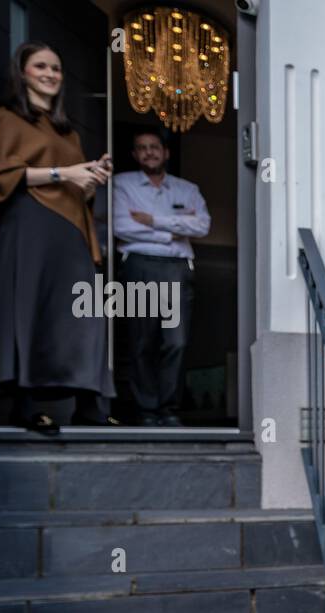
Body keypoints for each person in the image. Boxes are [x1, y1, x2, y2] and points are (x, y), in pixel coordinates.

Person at [0, 42, 116, 434]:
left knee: (80, 314)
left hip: (70, 227)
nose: (51, 74)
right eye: (41, 66)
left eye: (56, 68)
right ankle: (26, 408)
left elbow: (77, 186)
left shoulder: (66, 130)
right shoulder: (7, 119)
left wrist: (90, 176)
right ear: (23, 73)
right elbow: (3, 176)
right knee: (28, 310)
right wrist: (64, 173)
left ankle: (90, 404)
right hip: (30, 223)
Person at [111, 129, 211, 426]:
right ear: (134, 154)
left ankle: (169, 409)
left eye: (154, 147)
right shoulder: (122, 184)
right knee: (142, 342)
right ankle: (147, 410)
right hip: (139, 265)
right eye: (142, 148)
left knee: (175, 342)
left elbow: (202, 226)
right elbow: (121, 227)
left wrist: (154, 221)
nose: (149, 152)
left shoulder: (187, 188)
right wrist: (176, 231)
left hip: (177, 268)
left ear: (165, 153)